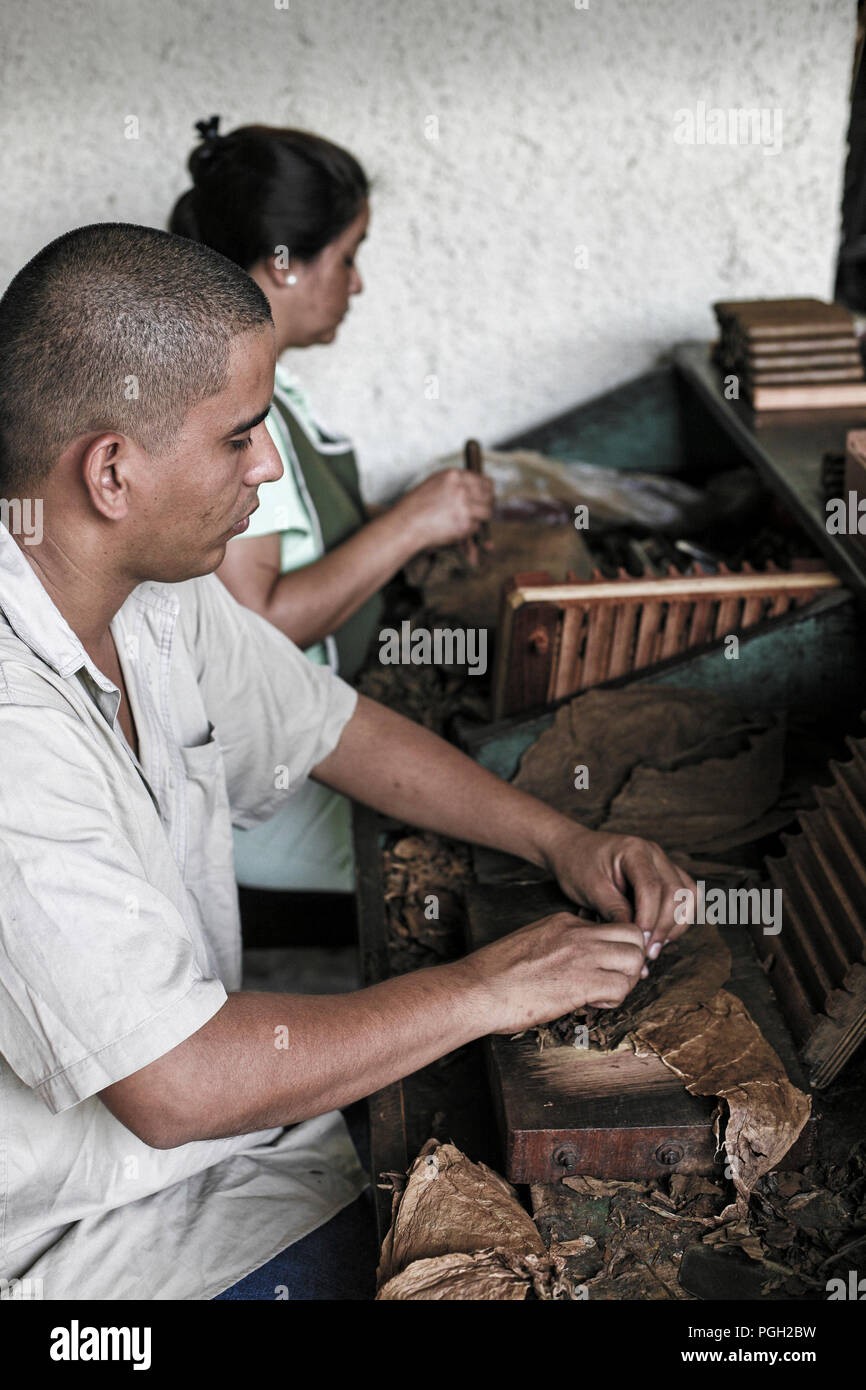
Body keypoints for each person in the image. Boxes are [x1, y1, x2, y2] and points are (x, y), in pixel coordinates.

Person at [0, 223, 693, 1300]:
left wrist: (561, 836)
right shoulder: (11, 728)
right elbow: (176, 1085)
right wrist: (479, 989)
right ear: (111, 472)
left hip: (213, 1164)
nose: (266, 466)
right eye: (239, 438)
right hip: (75, 1242)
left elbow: (328, 724)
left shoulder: (155, 598)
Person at [170, 117, 494, 896]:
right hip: (259, 776)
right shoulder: (235, 409)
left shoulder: (271, 389)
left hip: (309, 717)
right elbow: (258, 621)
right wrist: (411, 523)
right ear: (283, 267)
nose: (356, 283)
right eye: (346, 258)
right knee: (469, 862)